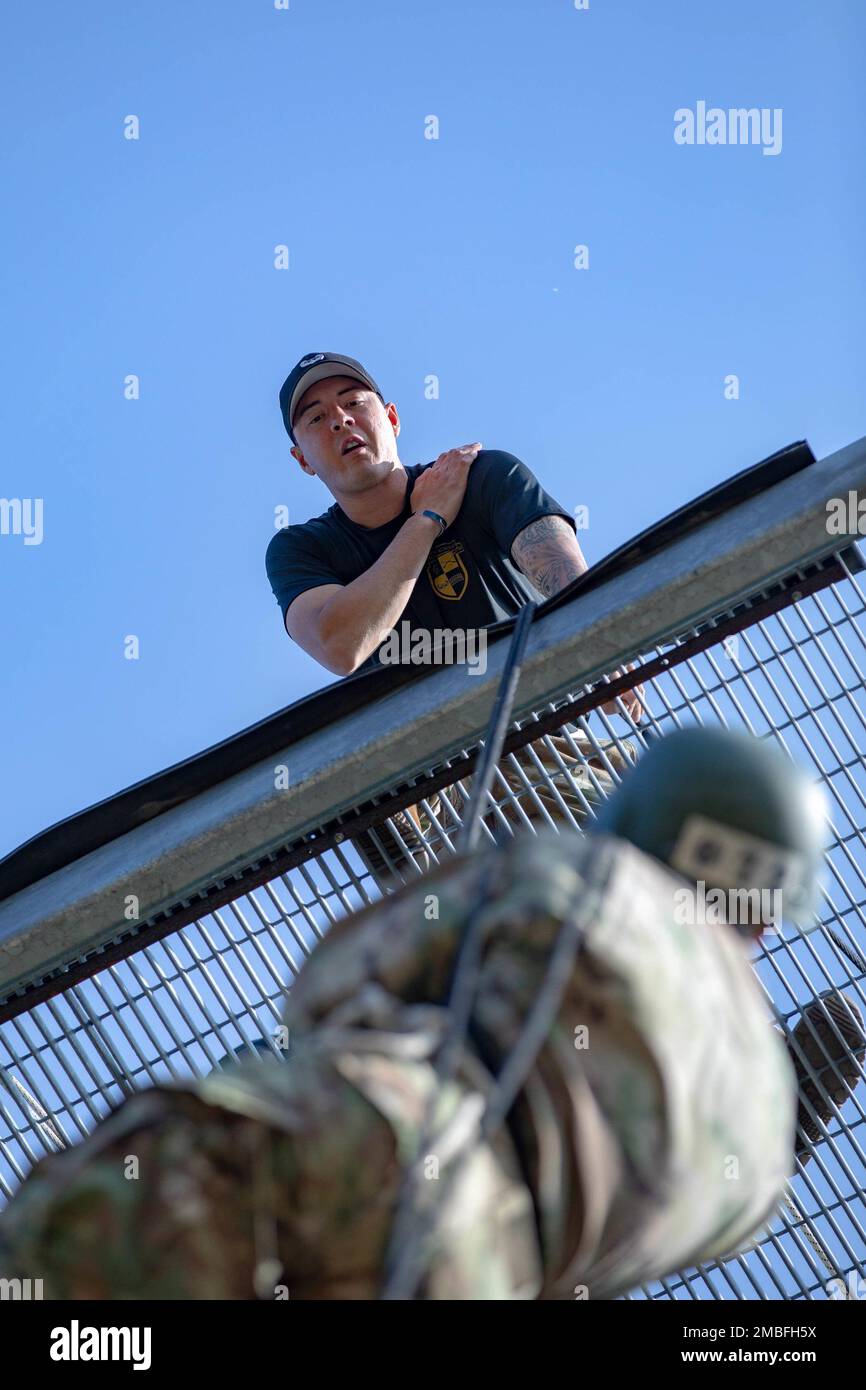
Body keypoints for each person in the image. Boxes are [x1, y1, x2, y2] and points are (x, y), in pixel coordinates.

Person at [2, 728, 860, 1301]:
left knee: (99, 1228)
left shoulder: (590, 876)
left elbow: (333, 984)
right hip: (489, 1274)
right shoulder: (759, 1127)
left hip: (391, 1142)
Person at [265, 351, 644, 882]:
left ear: (391, 419)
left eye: (353, 403)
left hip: (540, 747)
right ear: (301, 458)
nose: (340, 419)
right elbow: (340, 645)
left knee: (612, 867)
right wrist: (426, 519)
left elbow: (568, 580)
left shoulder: (483, 475)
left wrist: (602, 648)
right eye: (316, 417)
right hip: (431, 793)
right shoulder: (301, 550)